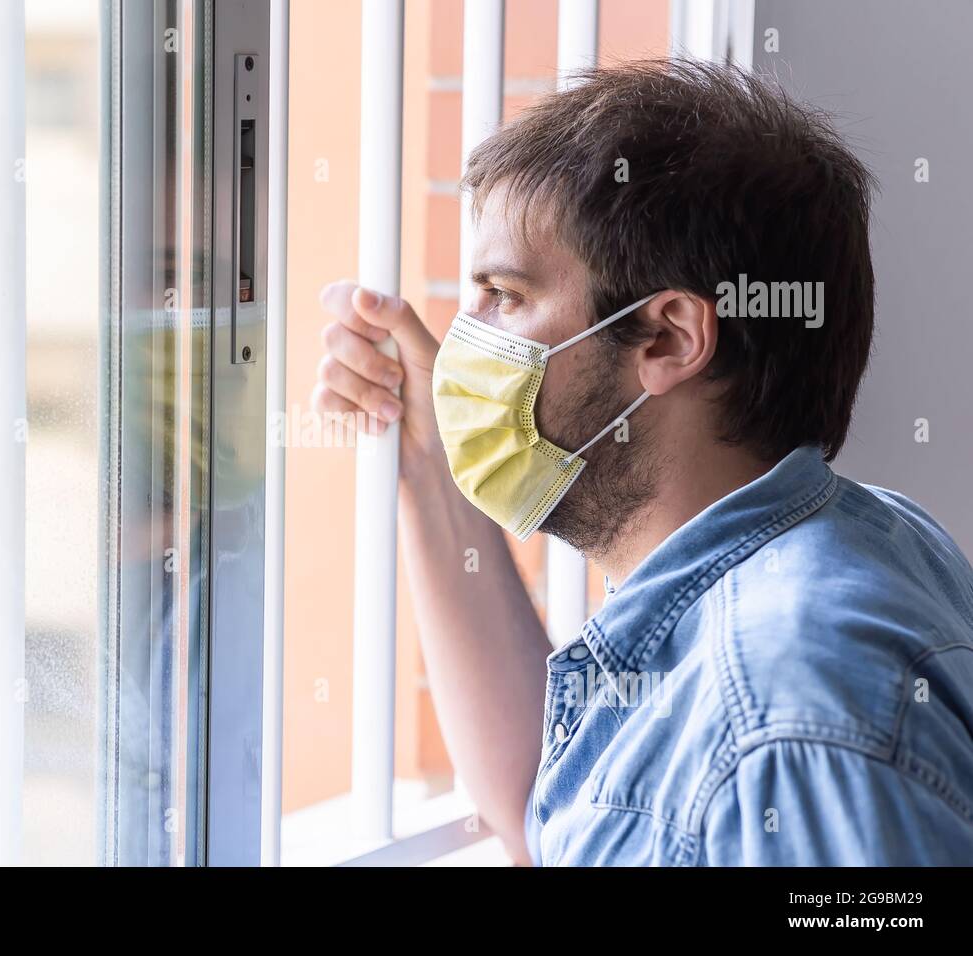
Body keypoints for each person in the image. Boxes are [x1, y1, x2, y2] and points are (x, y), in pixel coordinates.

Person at [312, 59, 973, 865]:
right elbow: (559, 814)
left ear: (668, 338)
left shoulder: (785, 711)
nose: (461, 339)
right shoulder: (856, 535)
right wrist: (426, 467)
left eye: (503, 295)